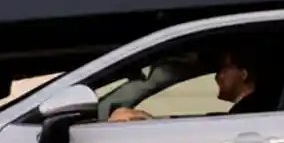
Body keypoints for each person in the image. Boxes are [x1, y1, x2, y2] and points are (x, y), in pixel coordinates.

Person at [107, 44, 274, 122]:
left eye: (225, 68)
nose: (218, 75)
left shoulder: (250, 112)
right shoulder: (253, 109)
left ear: (243, 74)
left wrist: (149, 122)